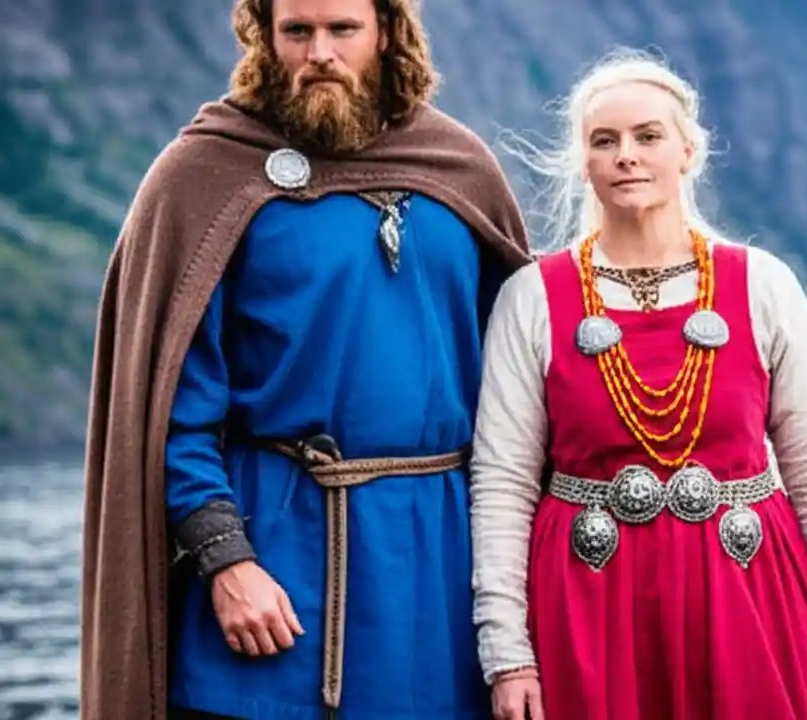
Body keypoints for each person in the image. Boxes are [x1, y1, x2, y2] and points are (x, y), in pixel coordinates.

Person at [79, 0, 530, 717]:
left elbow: (523, 394)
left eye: (342, 29)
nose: (320, 51)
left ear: (387, 33)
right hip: (277, 563)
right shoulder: (206, 173)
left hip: (438, 567)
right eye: (297, 31)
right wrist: (227, 561)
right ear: (266, 36)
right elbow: (167, 411)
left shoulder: (459, 169)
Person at [469, 49, 807, 720]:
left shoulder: (763, 285)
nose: (626, 155)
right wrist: (508, 653)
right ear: (584, 162)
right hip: (586, 601)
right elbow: (502, 483)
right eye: (605, 141)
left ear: (689, 151)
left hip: (747, 595)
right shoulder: (532, 299)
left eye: (647, 136)